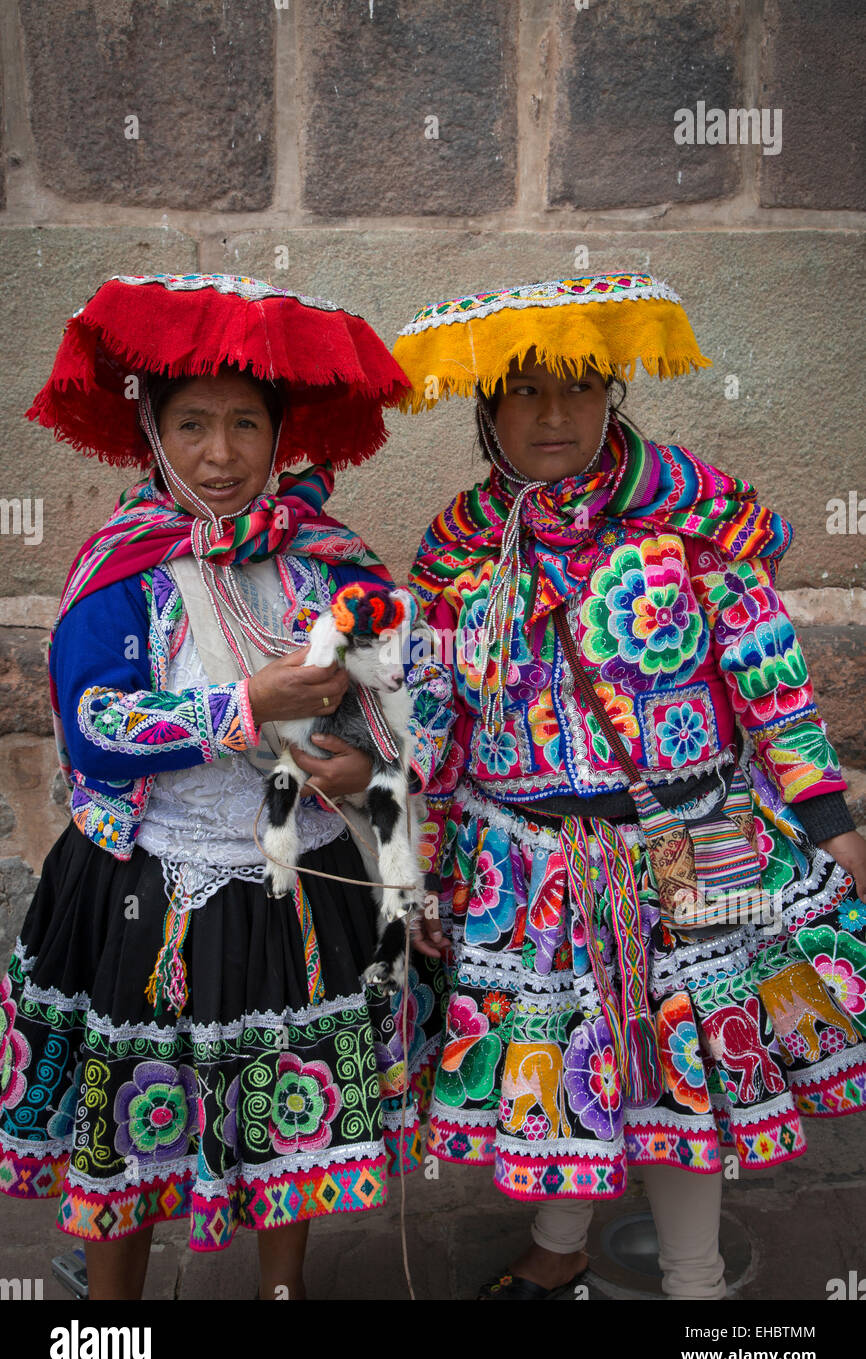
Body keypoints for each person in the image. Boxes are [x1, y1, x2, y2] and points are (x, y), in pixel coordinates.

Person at [391, 273, 866, 1300]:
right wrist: (416, 864)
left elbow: (767, 672)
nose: (552, 415)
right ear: (487, 409)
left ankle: (693, 1282)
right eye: (524, 391)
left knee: (672, 1078)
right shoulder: (458, 552)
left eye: (578, 387)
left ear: (614, 394)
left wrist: (825, 814)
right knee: (566, 1055)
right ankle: (562, 1246)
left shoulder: (695, 525)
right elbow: (434, 717)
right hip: (527, 863)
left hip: (693, 845)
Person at [0, 273, 450, 1300]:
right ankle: (110, 1314)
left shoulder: (324, 562)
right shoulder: (124, 573)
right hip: (150, 889)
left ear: (280, 433)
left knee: (283, 1114)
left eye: (245, 423)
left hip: (299, 886)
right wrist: (241, 701)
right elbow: (97, 728)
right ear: (152, 431)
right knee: (130, 1118)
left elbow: (400, 697)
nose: (219, 452)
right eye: (191, 422)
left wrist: (366, 767)